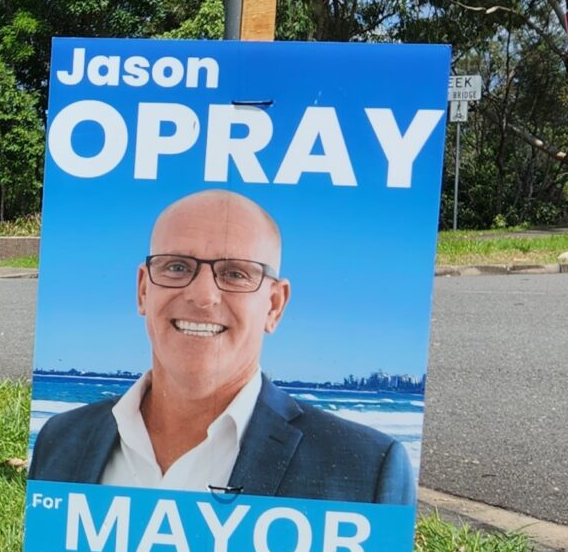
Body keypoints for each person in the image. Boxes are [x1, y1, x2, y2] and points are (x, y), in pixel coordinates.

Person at [28, 189, 415, 505]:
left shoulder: (367, 471)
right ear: (144, 289)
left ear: (274, 306)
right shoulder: (62, 439)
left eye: (235, 273)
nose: (202, 296)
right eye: (177, 266)